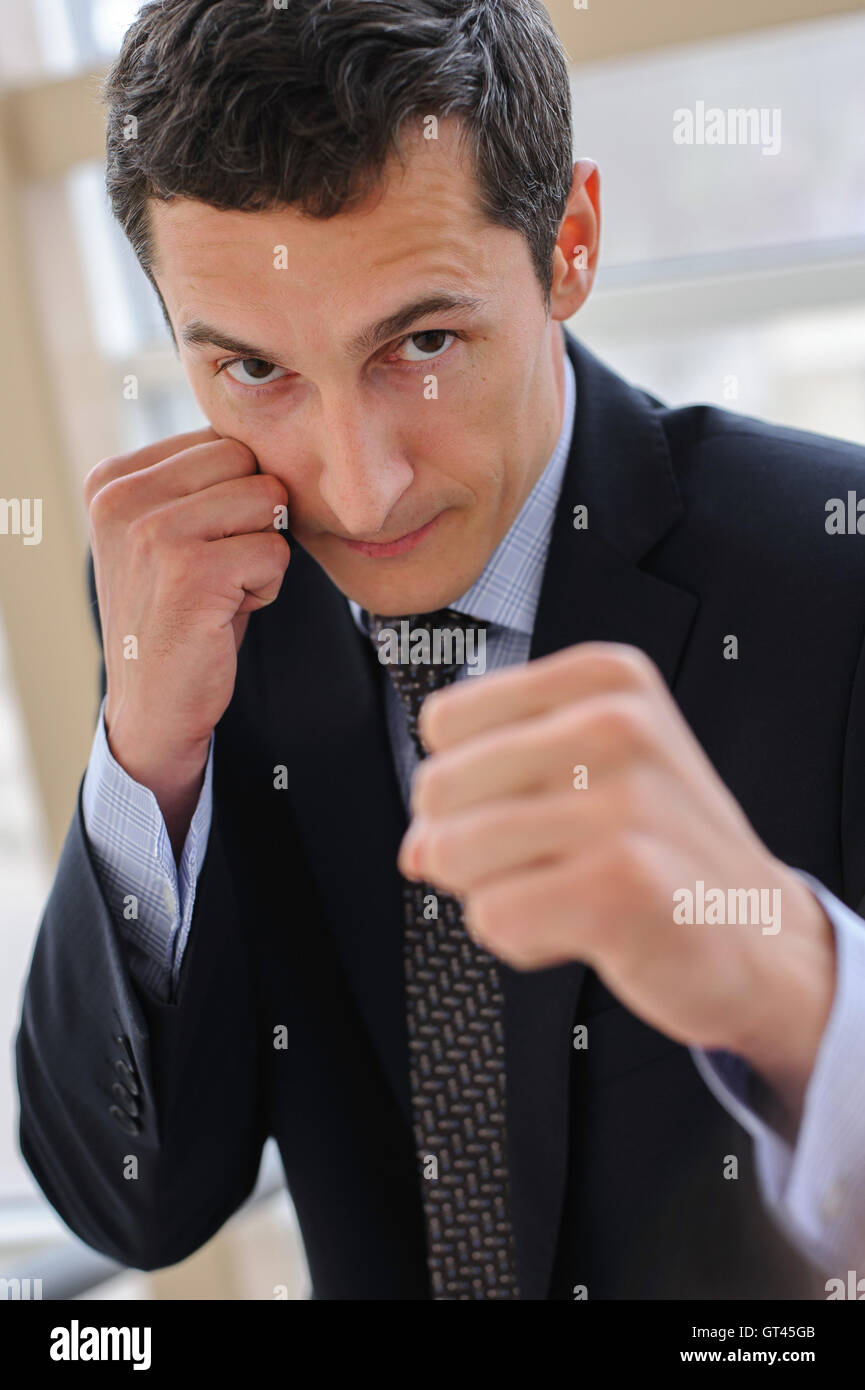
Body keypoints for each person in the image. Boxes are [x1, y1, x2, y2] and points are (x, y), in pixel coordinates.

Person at [15, 0, 865, 1300]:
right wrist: (145, 763)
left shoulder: (834, 570)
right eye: (252, 369)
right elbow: (131, 1202)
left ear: (567, 242)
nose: (357, 492)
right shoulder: (195, 601)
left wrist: (802, 994)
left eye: (421, 344)